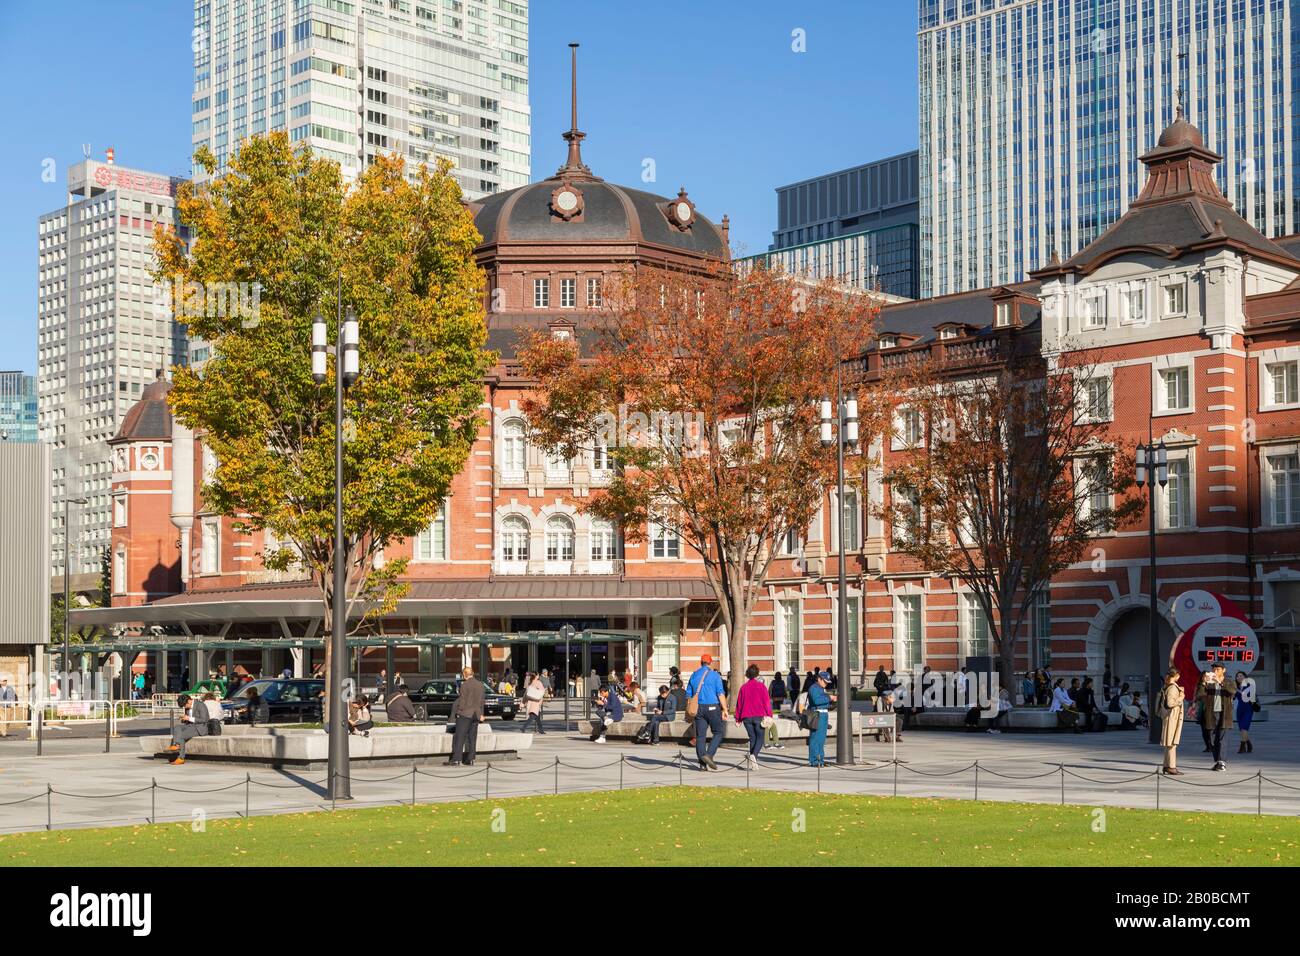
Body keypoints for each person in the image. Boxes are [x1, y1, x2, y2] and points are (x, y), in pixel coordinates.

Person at [687, 654, 728, 770]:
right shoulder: (715, 675)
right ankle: (709, 755)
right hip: (712, 707)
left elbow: (689, 694)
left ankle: (702, 763)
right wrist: (724, 709)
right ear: (710, 663)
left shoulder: (694, 675)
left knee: (700, 736)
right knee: (718, 732)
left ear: (701, 662)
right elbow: (720, 693)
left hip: (699, 708)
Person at [1197, 664, 1236, 771]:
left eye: (1218, 669)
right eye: (1213, 669)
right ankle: (1218, 761)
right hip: (1211, 713)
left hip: (1225, 714)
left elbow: (1232, 691)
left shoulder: (1229, 681)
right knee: (1212, 738)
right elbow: (1199, 695)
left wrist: (1220, 682)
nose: (1215, 671)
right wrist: (1203, 683)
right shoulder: (1209, 682)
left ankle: (1221, 762)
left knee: (1222, 738)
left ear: (1224, 670)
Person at [734, 664, 773, 770]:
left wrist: (738, 718)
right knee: (760, 738)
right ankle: (754, 755)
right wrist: (769, 715)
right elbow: (766, 702)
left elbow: (739, 704)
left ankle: (753, 762)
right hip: (758, 715)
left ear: (747, 674)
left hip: (746, 717)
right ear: (757, 674)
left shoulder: (743, 687)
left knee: (752, 738)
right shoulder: (761, 686)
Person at [447, 667, 486, 765]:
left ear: (465, 674)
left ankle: (457, 759)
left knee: (460, 737)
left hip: (465, 713)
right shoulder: (480, 685)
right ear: (472, 673)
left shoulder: (464, 685)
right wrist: (481, 714)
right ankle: (471, 759)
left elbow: (462, 700)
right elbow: (482, 701)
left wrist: (458, 712)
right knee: (472, 738)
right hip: (476, 714)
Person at [165, 694, 209, 765]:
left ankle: (181, 758)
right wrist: (184, 719)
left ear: (189, 701)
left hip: (200, 727)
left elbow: (205, 719)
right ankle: (176, 745)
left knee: (182, 736)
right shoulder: (187, 707)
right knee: (177, 727)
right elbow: (188, 720)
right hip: (190, 725)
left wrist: (189, 718)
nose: (185, 707)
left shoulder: (200, 705)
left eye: (185, 705)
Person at [1157, 667, 1186, 775]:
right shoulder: (1173, 688)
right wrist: (1181, 698)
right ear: (1177, 676)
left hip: (1169, 717)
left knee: (1169, 743)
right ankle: (1171, 767)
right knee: (1172, 743)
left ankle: (1166, 765)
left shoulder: (1167, 686)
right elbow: (1170, 703)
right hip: (1172, 717)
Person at [805, 670, 835, 767]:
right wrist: (829, 698)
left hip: (823, 714)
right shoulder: (814, 688)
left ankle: (820, 760)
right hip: (817, 715)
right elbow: (817, 701)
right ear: (819, 679)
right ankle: (814, 760)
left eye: (827, 682)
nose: (826, 683)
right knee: (815, 739)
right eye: (825, 681)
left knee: (821, 739)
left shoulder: (820, 688)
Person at [1235, 670, 1257, 754]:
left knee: (1244, 727)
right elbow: (1233, 697)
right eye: (1238, 676)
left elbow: (1249, 697)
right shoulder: (1236, 686)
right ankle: (1249, 744)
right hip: (1240, 709)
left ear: (1245, 677)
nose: (1239, 677)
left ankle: (1242, 746)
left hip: (1248, 709)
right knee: (1242, 729)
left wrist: (1239, 691)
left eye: (1241, 676)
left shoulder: (1250, 685)